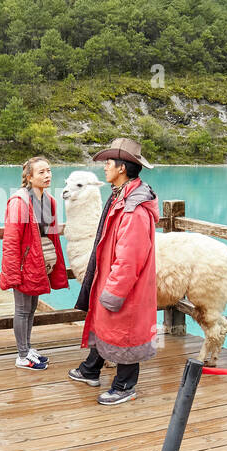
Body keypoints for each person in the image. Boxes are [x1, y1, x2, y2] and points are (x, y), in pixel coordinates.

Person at [68, 138, 160, 405]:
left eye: (108, 163)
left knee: (126, 334)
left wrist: (114, 291)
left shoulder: (133, 211)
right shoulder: (119, 197)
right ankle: (91, 369)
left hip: (124, 286)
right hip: (107, 276)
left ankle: (124, 386)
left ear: (122, 168)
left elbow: (130, 260)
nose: (105, 167)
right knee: (105, 325)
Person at [0, 156, 68, 370]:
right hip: (24, 264)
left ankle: (28, 348)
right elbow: (11, 240)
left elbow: (52, 234)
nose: (47, 175)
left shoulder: (49, 200)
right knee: (21, 309)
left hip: (40, 262)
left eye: (49, 171)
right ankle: (21, 356)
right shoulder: (20, 201)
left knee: (31, 308)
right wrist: (13, 272)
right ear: (29, 176)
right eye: (41, 172)